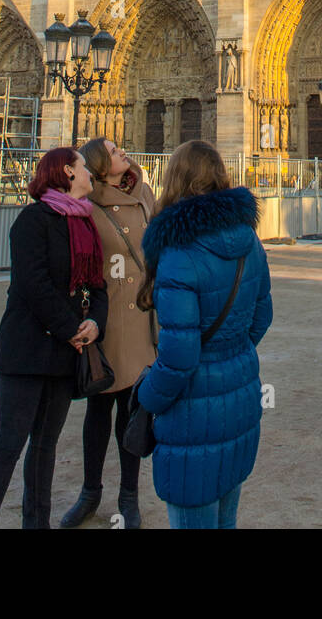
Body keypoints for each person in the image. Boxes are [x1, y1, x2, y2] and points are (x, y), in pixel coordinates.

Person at [134, 141, 272, 529]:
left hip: (192, 412)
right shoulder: (248, 238)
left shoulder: (178, 250)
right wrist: (231, 354)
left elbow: (179, 355)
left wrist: (146, 397)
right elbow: (263, 315)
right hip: (240, 401)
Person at [0, 148, 108, 529]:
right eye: (83, 166)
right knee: (8, 445)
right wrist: (71, 331)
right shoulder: (33, 220)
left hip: (66, 353)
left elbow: (98, 284)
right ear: (67, 171)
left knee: (45, 448)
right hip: (28, 351)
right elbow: (32, 284)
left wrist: (95, 322)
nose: (89, 172)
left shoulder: (86, 223)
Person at [60, 137, 156, 530]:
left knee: (133, 410)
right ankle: (90, 492)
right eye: (115, 151)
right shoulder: (84, 205)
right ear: (100, 166)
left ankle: (129, 497)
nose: (125, 152)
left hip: (143, 317)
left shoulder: (145, 193)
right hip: (105, 315)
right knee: (99, 409)